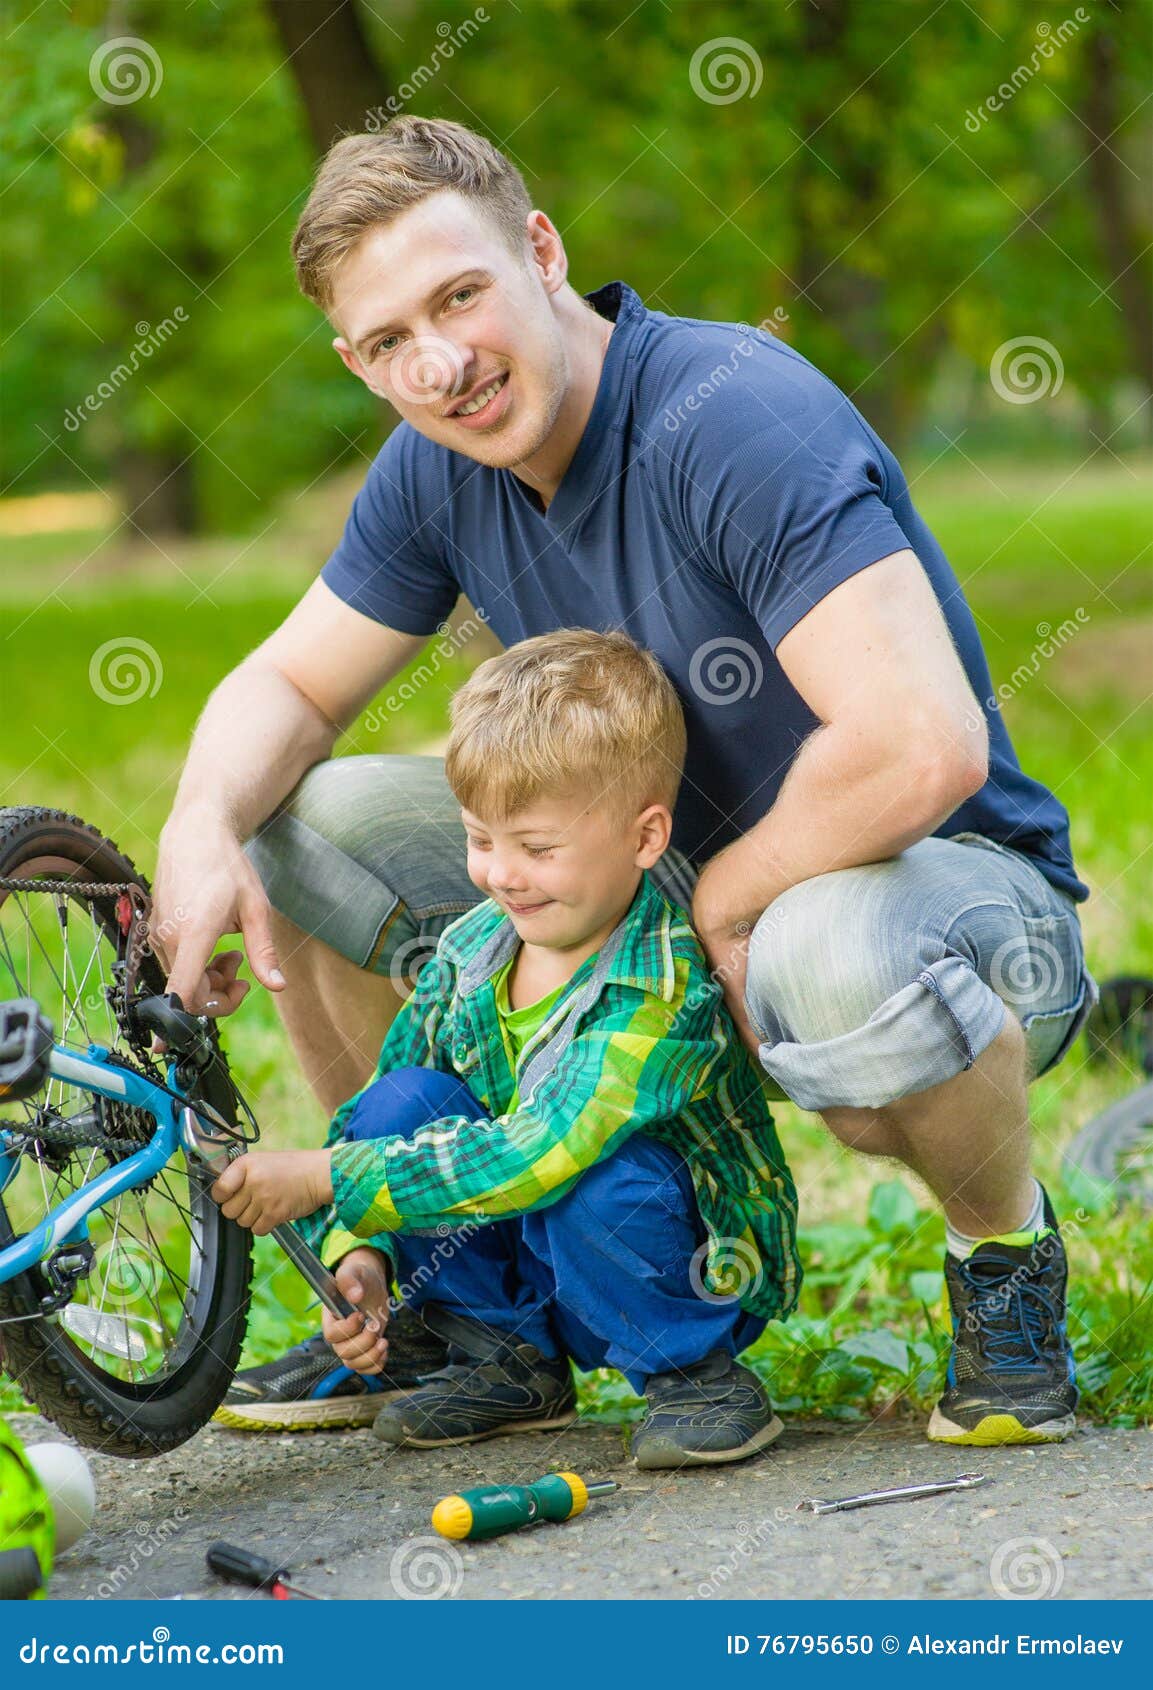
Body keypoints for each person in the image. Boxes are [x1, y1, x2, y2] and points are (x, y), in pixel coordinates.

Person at [156, 116, 1094, 1449]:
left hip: (931, 908)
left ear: (540, 252)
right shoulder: (436, 467)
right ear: (352, 360)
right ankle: (471, 1307)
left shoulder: (731, 415)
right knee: (301, 820)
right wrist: (201, 821)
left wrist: (721, 900)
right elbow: (288, 691)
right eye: (386, 341)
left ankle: (1001, 1264)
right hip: (638, 917)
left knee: (824, 947)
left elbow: (919, 743)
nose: (441, 362)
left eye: (460, 295)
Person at [208, 630, 800, 1469]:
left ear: (643, 838)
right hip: (531, 1235)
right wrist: (364, 1249)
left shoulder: (660, 989)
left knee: (595, 1179)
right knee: (398, 1103)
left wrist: (322, 1178)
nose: (500, 875)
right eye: (480, 840)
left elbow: (543, 1151)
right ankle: (502, 1357)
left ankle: (694, 1375)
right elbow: (376, 1116)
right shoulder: (471, 951)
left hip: (676, 1258)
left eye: (536, 848)